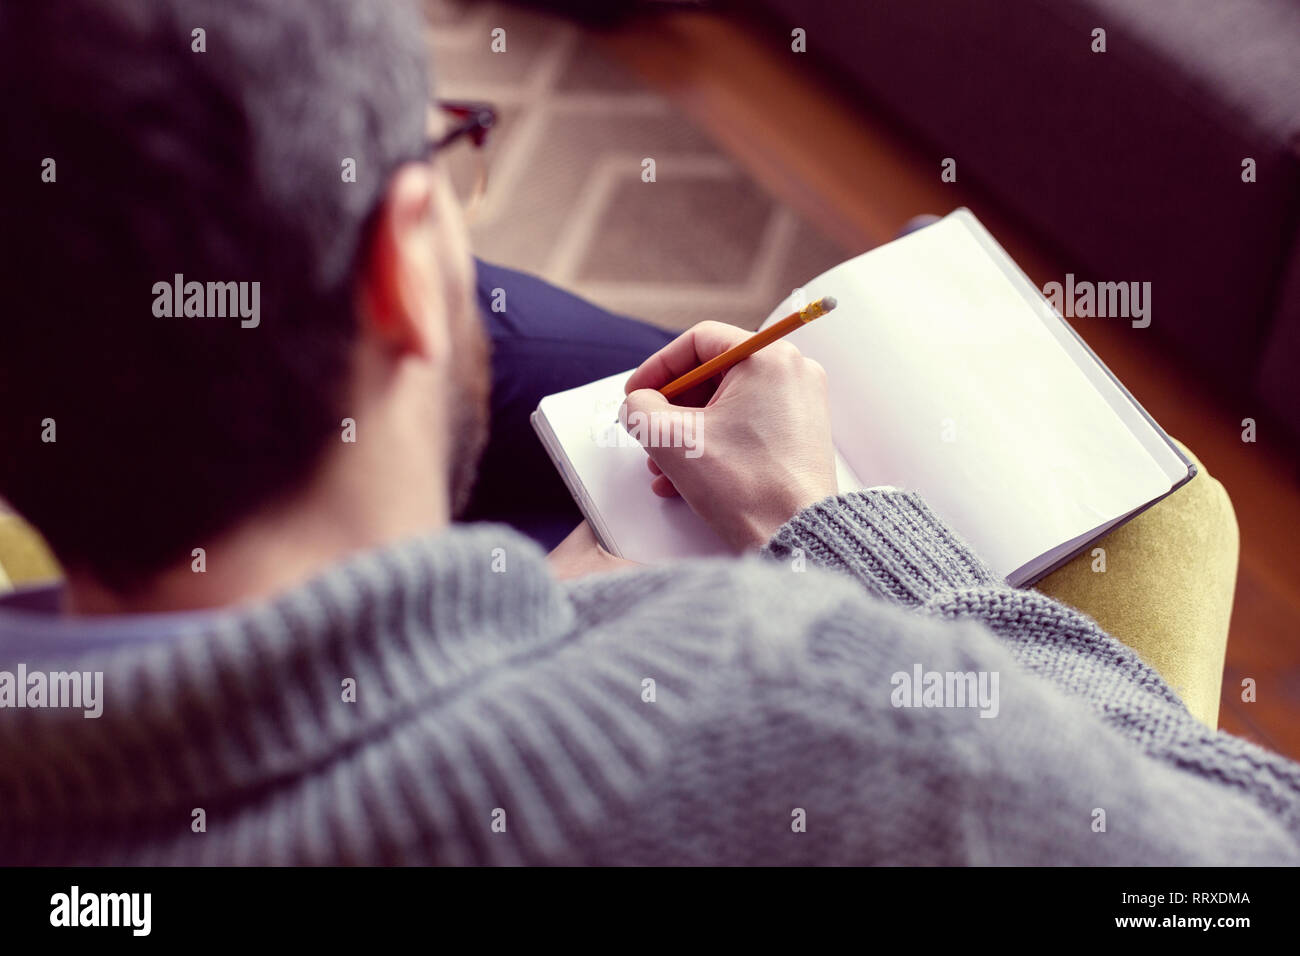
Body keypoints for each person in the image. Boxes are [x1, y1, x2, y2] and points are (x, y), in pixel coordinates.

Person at [0, 0, 1297, 866]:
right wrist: (824, 529)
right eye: (449, 154)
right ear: (399, 266)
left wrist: (515, 625)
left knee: (533, 339)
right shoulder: (803, 705)